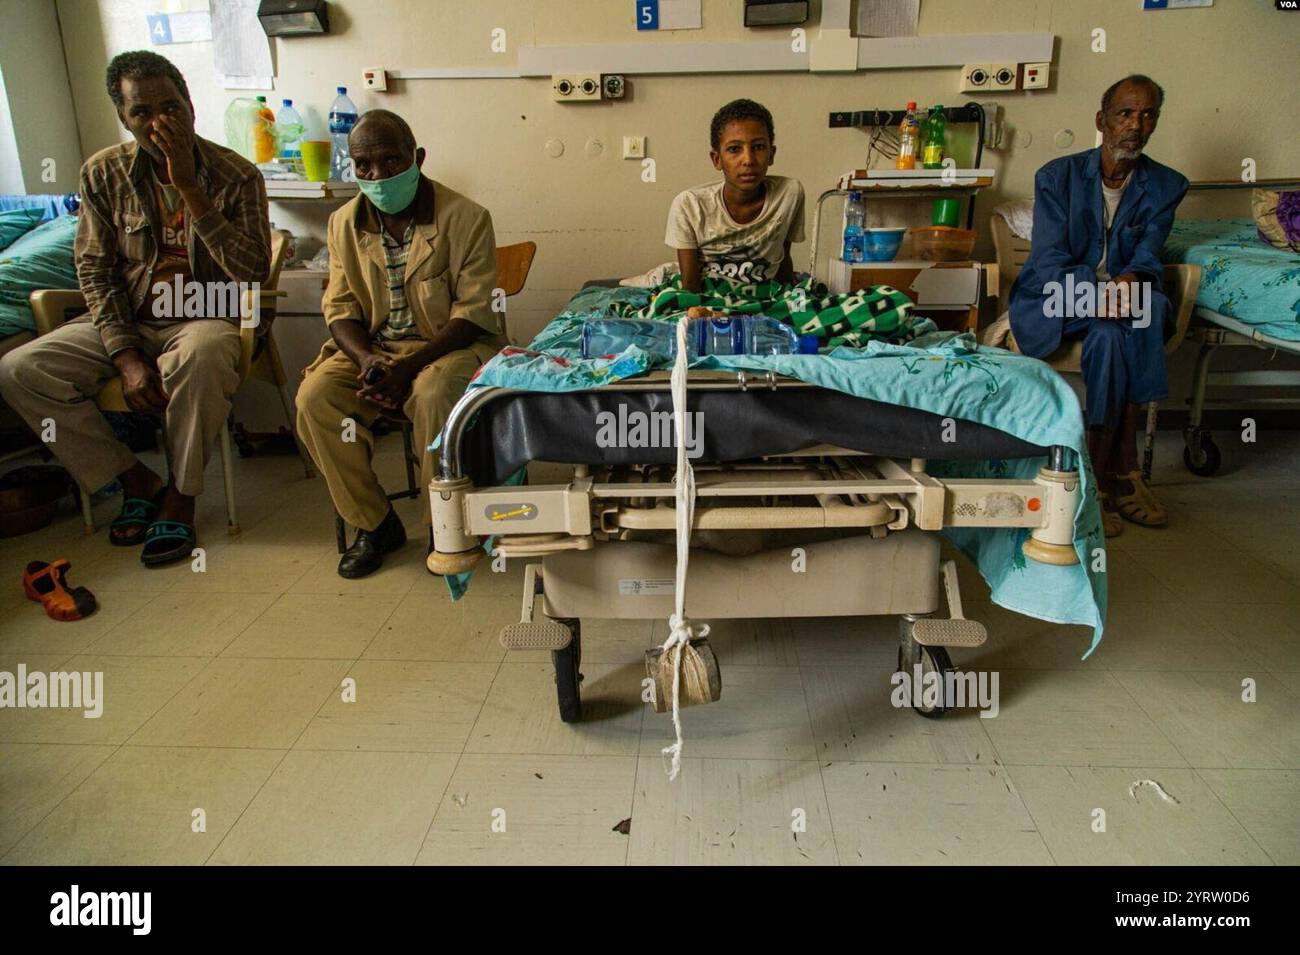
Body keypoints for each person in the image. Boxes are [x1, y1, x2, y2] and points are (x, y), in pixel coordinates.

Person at [0, 50, 270, 565]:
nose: (159, 122)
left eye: (170, 107)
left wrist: (191, 188)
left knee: (205, 353)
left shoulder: (236, 175)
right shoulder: (104, 173)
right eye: (142, 113)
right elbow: (96, 272)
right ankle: (133, 477)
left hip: (205, 312)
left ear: (191, 106)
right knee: (20, 369)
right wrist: (124, 356)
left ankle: (182, 495)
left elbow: (251, 272)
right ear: (124, 118)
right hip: (128, 319)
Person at [295, 110, 505, 579]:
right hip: (374, 350)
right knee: (315, 398)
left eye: (391, 161)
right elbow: (340, 310)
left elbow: (471, 316)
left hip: (446, 349)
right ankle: (374, 524)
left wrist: (406, 370)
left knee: (434, 394)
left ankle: (444, 527)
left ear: (418, 158)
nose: (377, 175)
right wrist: (369, 361)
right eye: (364, 165)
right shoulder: (342, 225)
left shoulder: (466, 218)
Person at [1009, 75, 1188, 536]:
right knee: (1137, 310)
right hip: (1059, 296)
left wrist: (1129, 280)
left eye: (1147, 115)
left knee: (1122, 326)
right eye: (1125, 113)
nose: (1135, 124)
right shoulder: (1057, 176)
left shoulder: (1167, 185)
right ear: (1102, 121)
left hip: (1123, 305)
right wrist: (1098, 290)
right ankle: (1126, 467)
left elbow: (1149, 253)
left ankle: (1098, 472)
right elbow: (1048, 262)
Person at [665, 99, 805, 292]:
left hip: (764, 297)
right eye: (734, 149)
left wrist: (795, 300)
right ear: (717, 159)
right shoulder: (690, 205)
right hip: (710, 297)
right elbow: (691, 288)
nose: (748, 160)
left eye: (758, 147)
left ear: (771, 154)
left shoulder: (789, 193)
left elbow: (782, 258)